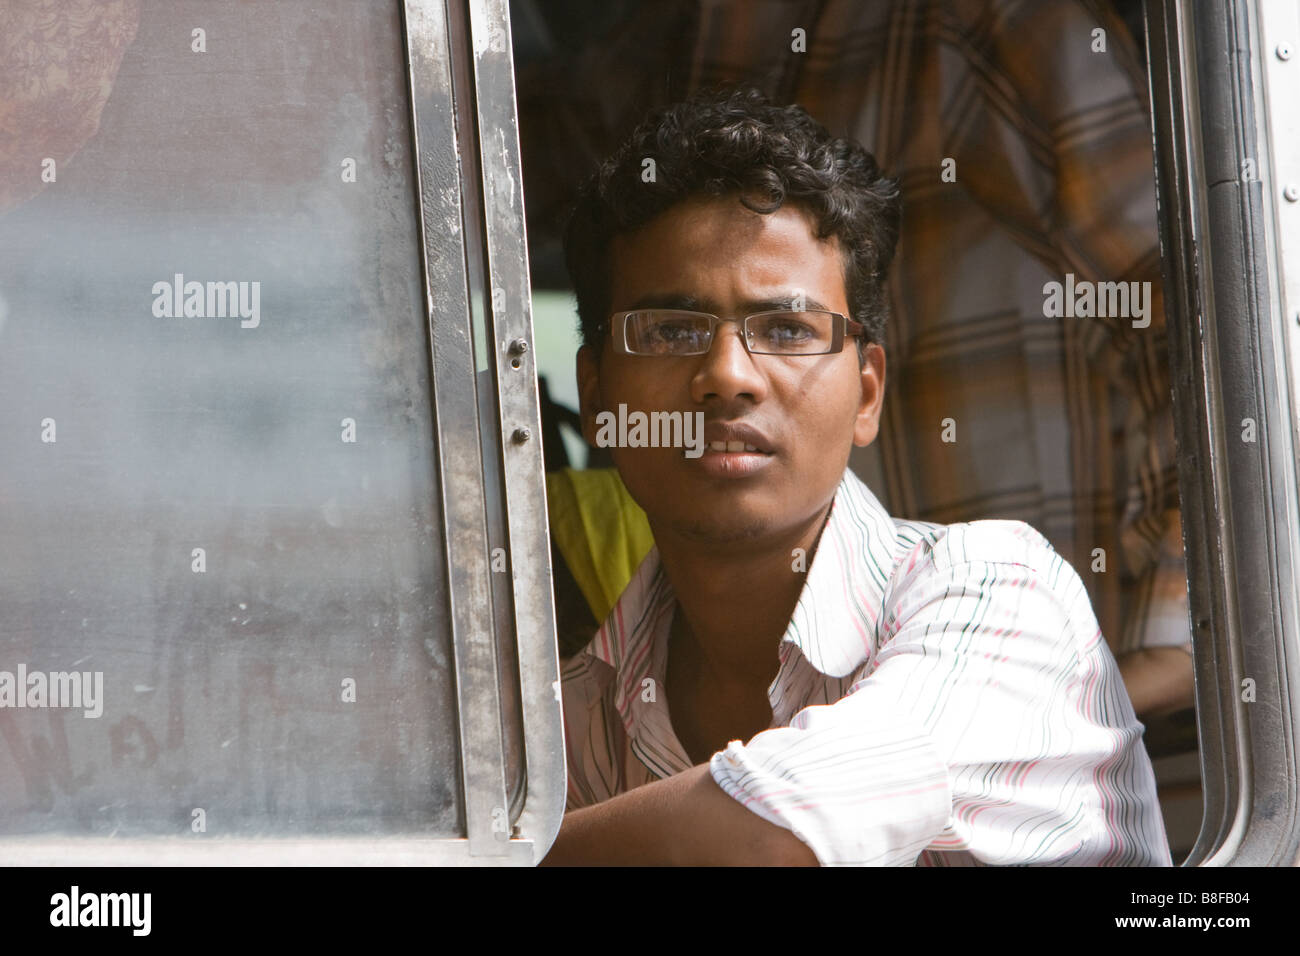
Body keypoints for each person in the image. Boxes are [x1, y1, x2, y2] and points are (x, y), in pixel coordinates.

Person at [541, 87, 1172, 866]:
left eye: (787, 329)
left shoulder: (1000, 593)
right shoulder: (574, 721)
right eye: (671, 329)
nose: (727, 376)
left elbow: (771, 837)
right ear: (597, 392)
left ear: (867, 392)